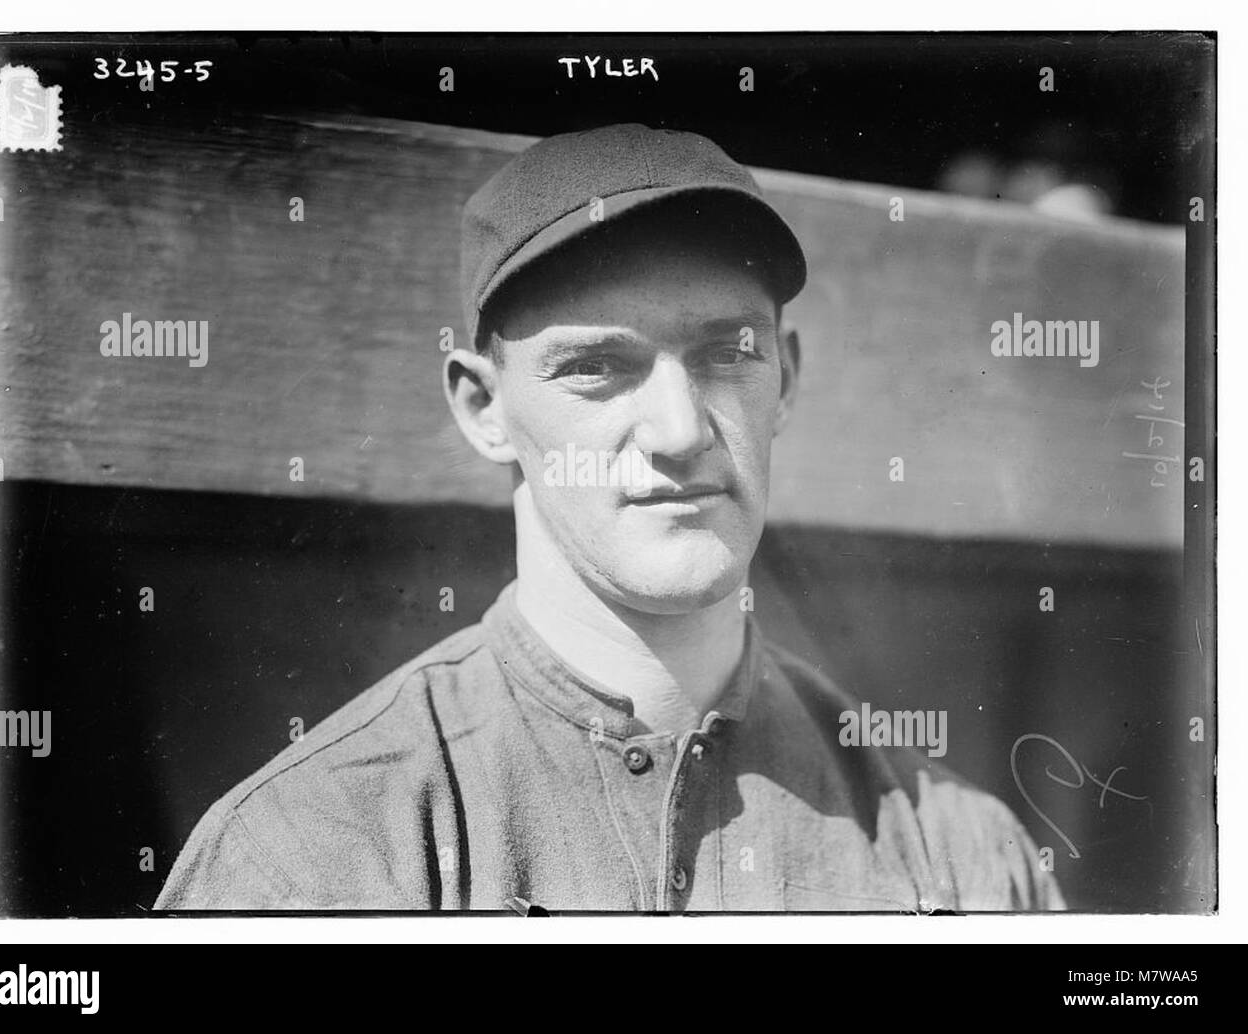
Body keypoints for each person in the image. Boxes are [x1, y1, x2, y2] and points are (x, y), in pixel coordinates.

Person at [155, 123, 1064, 912]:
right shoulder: (321, 852)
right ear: (484, 408)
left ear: (783, 376)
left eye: (727, 353)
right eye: (595, 367)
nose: (678, 432)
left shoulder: (960, 856)